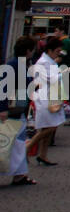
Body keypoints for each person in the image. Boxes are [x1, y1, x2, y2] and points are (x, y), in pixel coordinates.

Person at [2, 36, 36, 185]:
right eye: (33, 50)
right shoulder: (15, 65)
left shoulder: (19, 64)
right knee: (11, 143)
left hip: (18, 109)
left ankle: (20, 174)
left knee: (17, 144)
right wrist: (2, 108)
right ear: (28, 51)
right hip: (12, 110)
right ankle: (19, 174)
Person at [28, 36, 65, 166]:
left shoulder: (49, 61)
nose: (58, 53)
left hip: (50, 96)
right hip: (45, 97)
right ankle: (27, 148)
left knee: (48, 126)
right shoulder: (44, 62)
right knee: (50, 126)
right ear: (50, 50)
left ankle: (43, 155)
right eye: (57, 51)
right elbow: (52, 78)